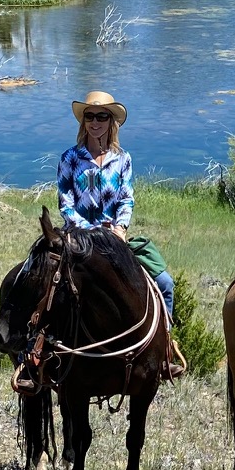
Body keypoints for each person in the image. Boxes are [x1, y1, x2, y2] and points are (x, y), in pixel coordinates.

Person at [56, 90, 186, 379]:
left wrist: (120, 228)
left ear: (111, 121)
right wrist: (90, 231)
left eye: (102, 116)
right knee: (47, 286)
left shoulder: (122, 158)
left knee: (164, 283)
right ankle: (38, 355)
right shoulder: (70, 158)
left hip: (116, 238)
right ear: (83, 121)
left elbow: (126, 199)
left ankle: (163, 350)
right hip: (78, 238)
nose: (95, 122)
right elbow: (65, 203)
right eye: (90, 116)